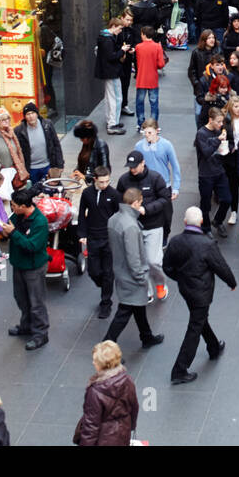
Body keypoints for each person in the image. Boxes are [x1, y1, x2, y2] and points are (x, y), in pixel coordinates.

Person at [163, 208, 236, 384]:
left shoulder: (175, 241)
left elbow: (167, 267)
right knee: (195, 326)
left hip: (186, 289)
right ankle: (179, 370)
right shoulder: (207, 244)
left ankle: (213, 347)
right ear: (201, 222)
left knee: (199, 319)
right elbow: (221, 266)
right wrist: (231, 283)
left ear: (185, 222)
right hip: (202, 292)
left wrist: (180, 278)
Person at [102, 188, 165, 349]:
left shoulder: (114, 219)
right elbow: (133, 257)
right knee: (125, 311)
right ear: (136, 202)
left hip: (121, 271)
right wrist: (141, 278)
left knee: (138, 307)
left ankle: (146, 336)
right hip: (131, 276)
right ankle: (107, 345)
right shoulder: (131, 226)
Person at [117, 149, 173, 303]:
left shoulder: (155, 178)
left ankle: (160, 284)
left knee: (153, 261)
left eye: (135, 165)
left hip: (153, 225)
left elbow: (165, 199)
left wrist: (146, 209)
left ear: (143, 163)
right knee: (138, 262)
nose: (132, 169)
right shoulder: (124, 180)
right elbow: (119, 201)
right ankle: (146, 289)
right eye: (130, 166)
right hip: (132, 228)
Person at [4, 187, 50, 350]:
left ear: (24, 206)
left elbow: (32, 246)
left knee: (36, 302)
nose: (12, 208)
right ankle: (26, 325)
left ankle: (40, 334)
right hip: (19, 264)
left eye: (14, 205)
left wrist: (13, 233)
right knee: (21, 298)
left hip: (34, 267)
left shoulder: (40, 222)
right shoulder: (17, 216)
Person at [73, 340, 140, 446]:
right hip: (123, 430)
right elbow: (134, 407)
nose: (93, 362)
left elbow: (91, 426)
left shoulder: (95, 391)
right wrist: (131, 426)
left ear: (103, 365)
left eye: (96, 361)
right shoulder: (128, 380)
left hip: (104, 438)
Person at [80, 166, 120, 318]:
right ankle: (104, 285)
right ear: (95, 179)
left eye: (107, 181)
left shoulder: (114, 194)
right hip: (93, 236)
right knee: (94, 271)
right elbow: (83, 214)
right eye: (102, 182)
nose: (104, 185)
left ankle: (106, 303)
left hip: (109, 237)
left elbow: (118, 215)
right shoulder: (87, 193)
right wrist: (82, 233)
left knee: (108, 272)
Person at [195, 107, 234, 236]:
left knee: (227, 199)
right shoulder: (201, 133)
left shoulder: (219, 131)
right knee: (205, 203)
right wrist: (218, 140)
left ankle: (217, 221)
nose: (221, 124)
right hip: (205, 173)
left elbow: (224, 146)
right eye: (218, 122)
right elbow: (206, 152)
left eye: (221, 121)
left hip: (219, 171)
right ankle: (206, 228)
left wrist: (229, 147)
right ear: (210, 120)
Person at [14, 102, 63, 186]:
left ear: (37, 114)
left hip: (48, 167)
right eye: (28, 114)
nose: (31, 116)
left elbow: (56, 145)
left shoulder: (47, 125)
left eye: (33, 113)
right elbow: (17, 152)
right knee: (34, 194)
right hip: (31, 169)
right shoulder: (19, 130)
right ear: (25, 117)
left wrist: (60, 164)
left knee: (50, 191)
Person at [96, 17, 128, 134]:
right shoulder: (108, 40)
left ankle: (111, 120)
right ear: (113, 26)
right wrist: (122, 50)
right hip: (112, 72)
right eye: (119, 29)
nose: (120, 31)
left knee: (110, 97)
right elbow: (112, 56)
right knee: (116, 97)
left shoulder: (104, 37)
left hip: (108, 72)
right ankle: (112, 123)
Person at [0, 106, 29, 186]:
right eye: (3, 120)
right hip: (0, 177)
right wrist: (1, 170)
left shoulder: (11, 134)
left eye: (8, 118)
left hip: (13, 173)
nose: (6, 121)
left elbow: (17, 152)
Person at [133, 25, 166, 128]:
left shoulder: (138, 47)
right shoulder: (157, 46)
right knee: (154, 103)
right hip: (152, 79)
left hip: (141, 79)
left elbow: (136, 62)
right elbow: (161, 64)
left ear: (143, 34)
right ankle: (153, 125)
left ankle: (140, 123)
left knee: (140, 103)